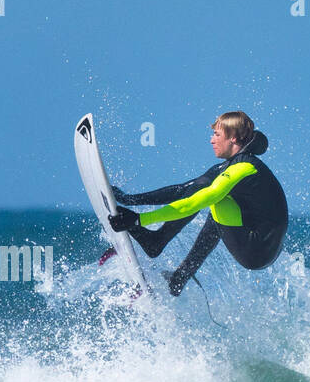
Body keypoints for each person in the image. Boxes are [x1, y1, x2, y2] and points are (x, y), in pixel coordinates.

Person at [107, 111, 289, 295]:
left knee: (215, 200)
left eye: (217, 135)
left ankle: (163, 249)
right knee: (209, 195)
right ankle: (172, 265)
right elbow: (184, 190)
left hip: (257, 250)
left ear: (233, 138)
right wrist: (130, 199)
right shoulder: (230, 166)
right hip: (264, 246)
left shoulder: (243, 168)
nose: (211, 140)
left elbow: (193, 203)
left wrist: (139, 220)